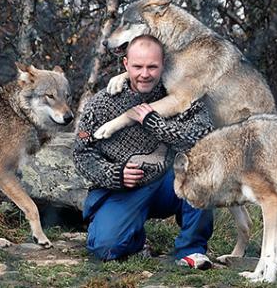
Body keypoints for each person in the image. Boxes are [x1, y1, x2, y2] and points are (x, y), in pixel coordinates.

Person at [73, 34, 214, 269]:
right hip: (122, 189)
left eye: (152, 67)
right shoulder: (101, 104)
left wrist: (153, 122)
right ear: (126, 64)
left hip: (167, 184)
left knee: (202, 169)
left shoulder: (180, 96)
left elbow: (203, 135)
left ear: (163, 65)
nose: (145, 74)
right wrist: (115, 174)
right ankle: (133, 238)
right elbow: (81, 153)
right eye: (138, 66)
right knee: (106, 248)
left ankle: (191, 250)